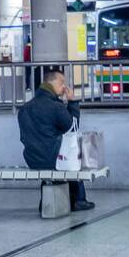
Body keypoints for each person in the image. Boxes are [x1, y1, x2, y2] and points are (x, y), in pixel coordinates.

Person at [18, 68, 92, 211]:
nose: (64, 86)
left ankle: (46, 201)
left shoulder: (25, 108)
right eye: (62, 82)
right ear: (50, 83)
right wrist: (72, 103)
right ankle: (79, 200)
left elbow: (23, 137)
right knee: (73, 154)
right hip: (54, 159)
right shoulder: (55, 107)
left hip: (32, 160)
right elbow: (73, 129)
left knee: (55, 159)